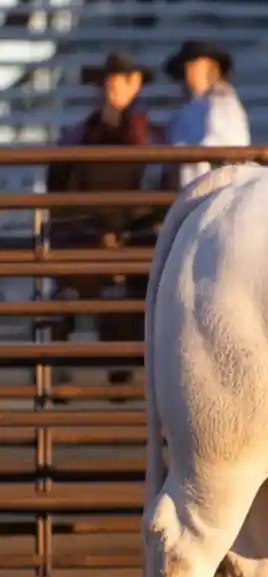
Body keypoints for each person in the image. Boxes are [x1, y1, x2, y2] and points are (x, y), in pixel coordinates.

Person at [44, 51, 159, 390]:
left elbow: (149, 195)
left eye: (124, 79)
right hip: (84, 234)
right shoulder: (81, 135)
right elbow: (59, 192)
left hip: (127, 236)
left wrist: (119, 232)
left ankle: (119, 376)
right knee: (68, 291)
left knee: (124, 292)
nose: (114, 85)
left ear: (136, 85)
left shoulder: (145, 136)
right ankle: (59, 376)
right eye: (110, 78)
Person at [163, 40, 251, 190]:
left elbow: (225, 143)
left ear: (211, 68)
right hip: (189, 185)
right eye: (188, 66)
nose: (190, 71)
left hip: (213, 186)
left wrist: (182, 152)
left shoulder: (224, 102)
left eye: (197, 65)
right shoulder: (184, 107)